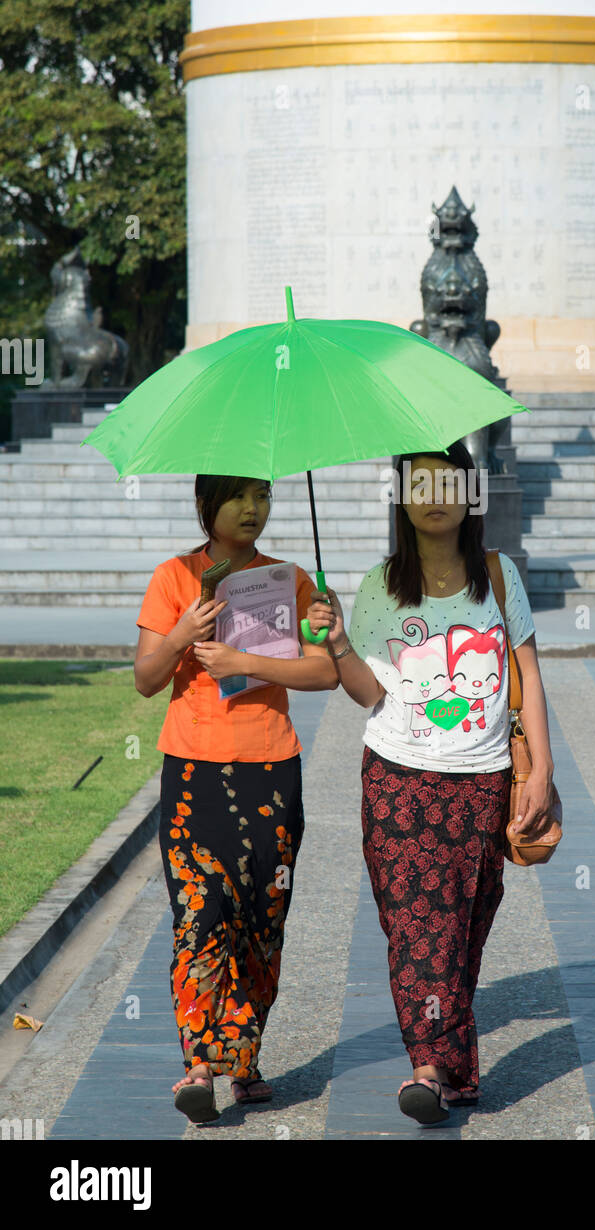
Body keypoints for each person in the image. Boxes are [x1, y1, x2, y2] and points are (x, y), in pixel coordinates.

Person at [305, 442, 556, 1124]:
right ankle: (427, 1067)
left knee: (463, 927)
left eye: (448, 482)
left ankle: (452, 1069)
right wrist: (333, 640)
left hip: (481, 779)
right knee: (417, 927)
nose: (434, 495)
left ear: (471, 497)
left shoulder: (498, 577)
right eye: (420, 483)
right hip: (396, 779)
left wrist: (544, 772)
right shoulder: (380, 585)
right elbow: (363, 692)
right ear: (402, 498)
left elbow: (528, 676)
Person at [134, 474, 337, 1123]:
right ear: (206, 505)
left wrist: (247, 666)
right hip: (192, 768)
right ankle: (199, 1062)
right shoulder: (174, 576)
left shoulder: (289, 579)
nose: (252, 510)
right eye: (238, 496)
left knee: (260, 917)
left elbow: (324, 671)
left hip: (270, 768)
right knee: (200, 912)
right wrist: (180, 635)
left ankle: (241, 1058)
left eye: (263, 496)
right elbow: (144, 678)